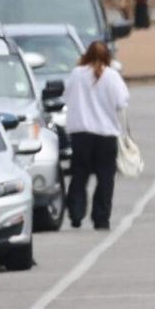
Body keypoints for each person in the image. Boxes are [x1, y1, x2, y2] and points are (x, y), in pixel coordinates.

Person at [63, 40, 130, 230]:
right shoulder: (112, 76)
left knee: (79, 175)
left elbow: (66, 97)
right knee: (105, 178)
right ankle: (101, 218)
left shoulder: (77, 75)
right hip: (105, 134)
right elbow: (122, 101)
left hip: (81, 133)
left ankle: (76, 212)